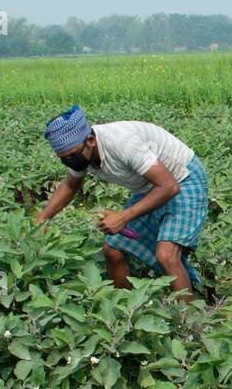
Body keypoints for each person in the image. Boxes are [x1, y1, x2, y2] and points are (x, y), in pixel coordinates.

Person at [38, 106, 208, 302]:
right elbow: (70, 185)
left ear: (90, 141)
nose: (70, 161)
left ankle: (191, 325)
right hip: (150, 185)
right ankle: (126, 311)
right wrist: (42, 219)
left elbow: (169, 187)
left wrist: (123, 217)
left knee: (167, 255)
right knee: (113, 249)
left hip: (183, 178)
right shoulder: (82, 154)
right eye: (64, 159)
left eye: (73, 155)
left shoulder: (122, 143)